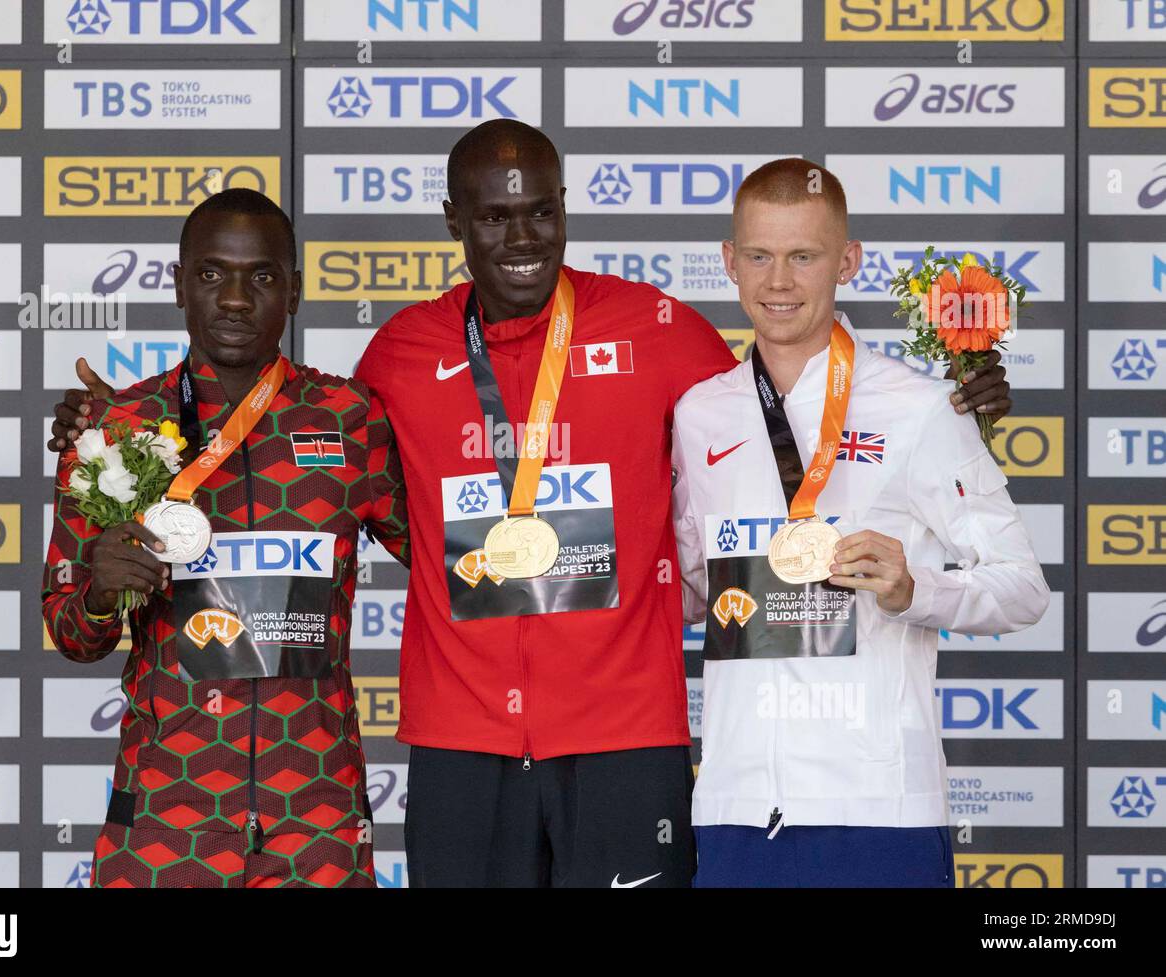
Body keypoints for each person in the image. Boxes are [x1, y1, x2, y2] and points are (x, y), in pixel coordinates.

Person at [50, 121, 1015, 888]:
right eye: (493, 217)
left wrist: (955, 399)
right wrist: (104, 434)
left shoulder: (657, 328)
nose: (520, 238)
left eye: (539, 212)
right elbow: (335, 473)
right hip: (448, 741)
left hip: (620, 734)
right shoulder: (388, 359)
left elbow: (787, 401)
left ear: (563, 211)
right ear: (453, 223)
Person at [670, 158, 1049, 887]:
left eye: (803, 256)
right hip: (734, 804)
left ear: (848, 261)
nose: (778, 281)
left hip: (879, 808)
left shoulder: (921, 408)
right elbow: (689, 588)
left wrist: (915, 590)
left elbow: (1023, 589)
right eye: (758, 255)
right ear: (728, 261)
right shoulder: (700, 412)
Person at [42, 188, 409, 888]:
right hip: (162, 821)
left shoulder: (350, 418)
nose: (237, 298)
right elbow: (69, 630)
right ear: (179, 285)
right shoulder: (116, 430)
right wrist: (95, 591)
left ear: (295, 291)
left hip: (319, 824)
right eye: (212, 273)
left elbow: (450, 560)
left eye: (262, 276)